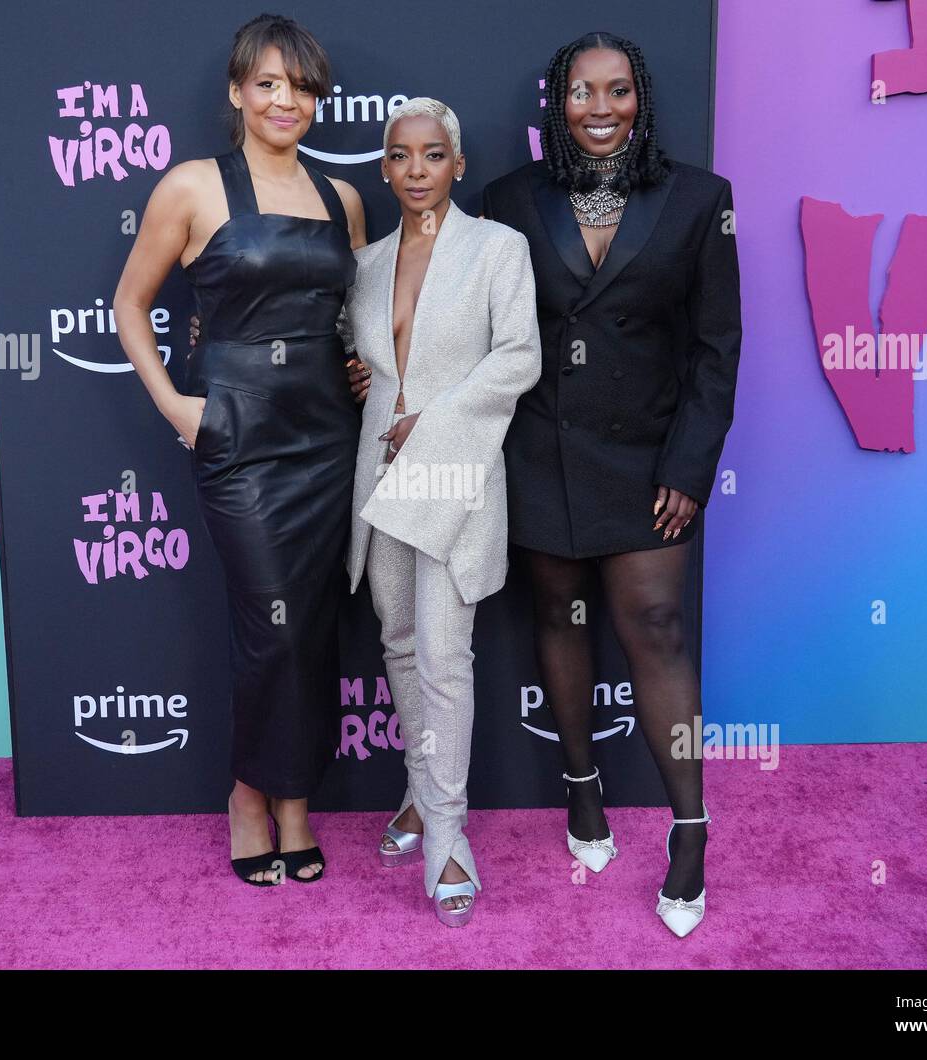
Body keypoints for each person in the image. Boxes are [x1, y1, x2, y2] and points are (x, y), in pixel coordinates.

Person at [481, 31, 741, 937]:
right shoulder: (510, 200)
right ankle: (582, 792)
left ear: (642, 99)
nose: (600, 108)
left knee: (658, 631)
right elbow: (467, 324)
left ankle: (690, 830)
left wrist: (689, 467)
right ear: (557, 104)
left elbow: (716, 350)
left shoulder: (701, 200)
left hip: (649, 465)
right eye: (582, 92)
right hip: (541, 458)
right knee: (559, 617)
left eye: (618, 91)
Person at [113, 14, 367, 886]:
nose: (284, 100)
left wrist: (374, 375)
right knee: (272, 627)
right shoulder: (191, 187)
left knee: (315, 625)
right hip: (240, 438)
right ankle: (248, 797)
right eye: (266, 83)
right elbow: (128, 306)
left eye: (298, 87)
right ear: (236, 91)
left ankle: (294, 799)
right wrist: (177, 407)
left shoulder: (344, 199)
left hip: (329, 437)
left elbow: (360, 318)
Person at [343, 98, 541, 926]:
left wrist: (436, 416)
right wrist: (369, 379)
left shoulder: (499, 248)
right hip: (382, 474)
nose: (416, 169)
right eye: (399, 156)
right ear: (385, 168)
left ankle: (448, 835)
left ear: (457, 164)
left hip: (452, 469)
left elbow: (520, 355)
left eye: (432, 155)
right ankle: (421, 793)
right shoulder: (365, 262)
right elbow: (370, 362)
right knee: (396, 636)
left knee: (443, 654)